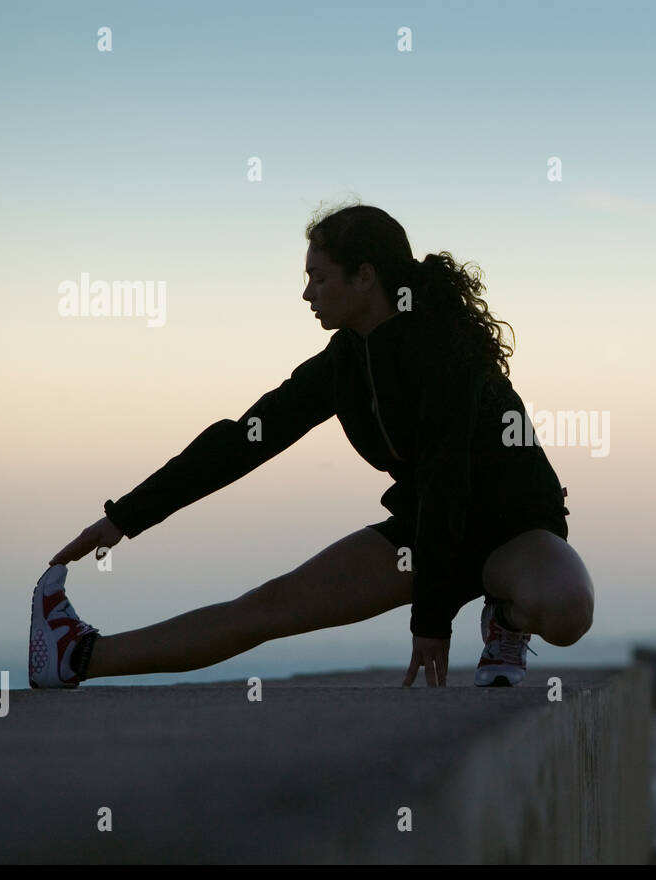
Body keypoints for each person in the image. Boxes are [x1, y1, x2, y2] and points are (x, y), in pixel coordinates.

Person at [30, 203, 594, 691]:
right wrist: (124, 517)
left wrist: (432, 624)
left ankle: (507, 618)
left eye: (319, 277)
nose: (306, 293)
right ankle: (75, 654)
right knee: (268, 607)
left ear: (365, 276)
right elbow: (242, 440)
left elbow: (449, 476)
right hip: (424, 534)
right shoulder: (342, 364)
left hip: (512, 531)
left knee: (568, 610)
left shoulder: (446, 349)